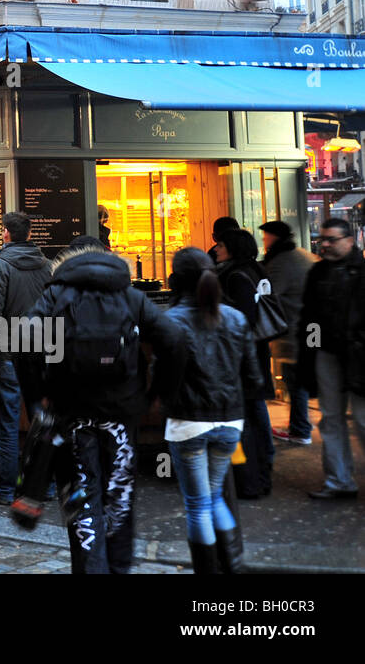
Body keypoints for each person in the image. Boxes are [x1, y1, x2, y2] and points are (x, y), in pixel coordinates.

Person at [18, 241, 183, 574]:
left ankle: (91, 568)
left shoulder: (56, 295)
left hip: (71, 413)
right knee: (119, 496)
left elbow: (24, 341)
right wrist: (156, 393)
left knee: (81, 497)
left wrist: (38, 398)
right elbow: (174, 339)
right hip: (122, 415)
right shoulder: (130, 295)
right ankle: (118, 568)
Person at [160, 249, 263, 574]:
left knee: (198, 504)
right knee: (214, 497)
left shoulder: (172, 321)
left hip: (188, 421)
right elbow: (254, 377)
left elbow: (163, 376)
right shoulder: (235, 318)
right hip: (229, 419)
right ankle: (232, 566)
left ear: (176, 279)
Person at [0, 210, 51, 507]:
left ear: (5, 233)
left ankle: (3, 488)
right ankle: (44, 485)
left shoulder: (1, 268)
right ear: (29, 234)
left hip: (10, 354)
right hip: (41, 350)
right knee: (41, 420)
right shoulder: (48, 267)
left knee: (8, 422)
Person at [298, 217, 365, 500]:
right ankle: (339, 480)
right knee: (331, 418)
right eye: (322, 239)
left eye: (331, 239)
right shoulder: (317, 272)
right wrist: (311, 350)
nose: (324, 244)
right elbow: (309, 318)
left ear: (350, 241)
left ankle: (339, 480)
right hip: (328, 354)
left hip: (359, 356)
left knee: (362, 420)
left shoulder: (361, 272)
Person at [213, 229, 276, 499]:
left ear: (231, 248)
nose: (216, 249)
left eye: (220, 244)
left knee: (245, 418)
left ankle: (249, 478)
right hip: (255, 351)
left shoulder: (235, 276)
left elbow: (241, 319)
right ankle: (261, 468)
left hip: (241, 355)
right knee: (253, 410)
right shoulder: (256, 269)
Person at [258, 220, 316, 446]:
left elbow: (270, 295)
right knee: (297, 381)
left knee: (296, 383)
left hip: (294, 330)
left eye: (265, 237)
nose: (263, 241)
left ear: (274, 238)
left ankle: (301, 430)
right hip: (305, 328)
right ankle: (300, 428)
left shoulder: (282, 262)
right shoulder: (301, 255)